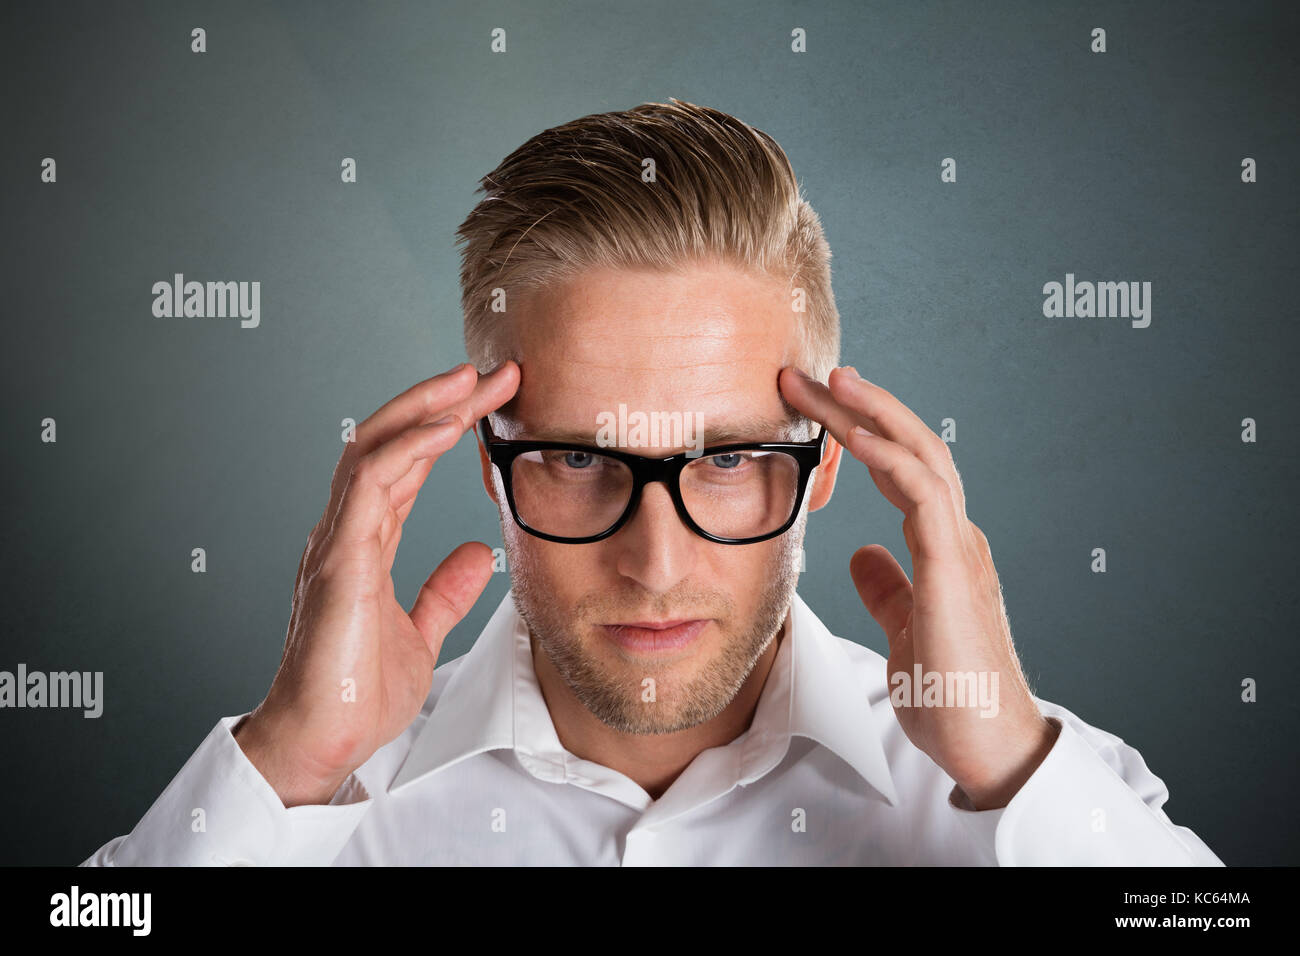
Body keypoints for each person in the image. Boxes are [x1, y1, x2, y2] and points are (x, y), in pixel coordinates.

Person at [82, 99, 1222, 865]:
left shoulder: (1025, 789)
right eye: (579, 457)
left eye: (728, 459)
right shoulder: (306, 809)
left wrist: (1012, 759)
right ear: (490, 460)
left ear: (824, 467)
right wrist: (287, 758)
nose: (656, 561)